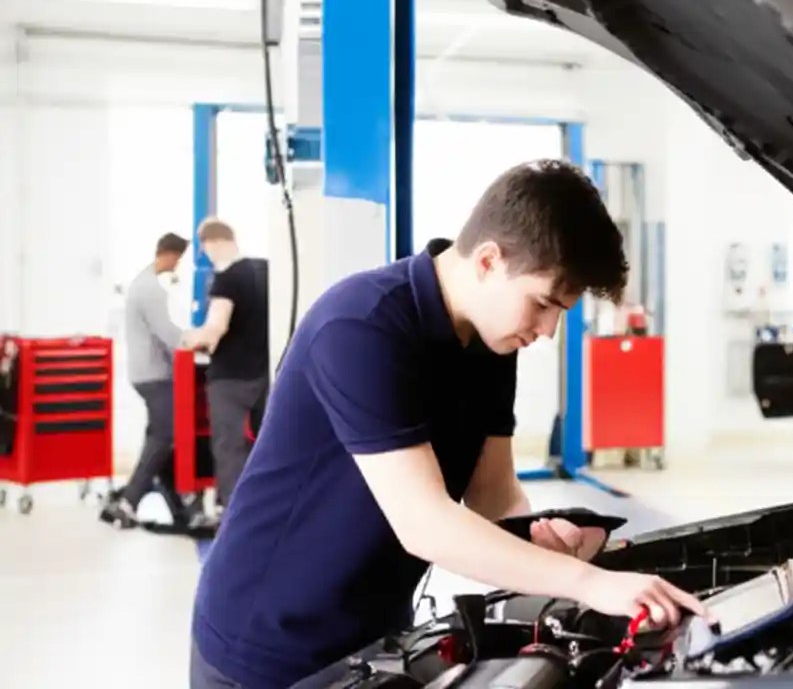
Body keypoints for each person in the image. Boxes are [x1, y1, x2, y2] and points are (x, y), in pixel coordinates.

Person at [190, 160, 708, 688]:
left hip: (375, 636)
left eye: (562, 312)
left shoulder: (490, 345)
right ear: (488, 261)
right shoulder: (362, 325)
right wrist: (587, 583)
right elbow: (426, 525)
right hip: (268, 644)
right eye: (543, 304)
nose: (549, 330)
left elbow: (495, 497)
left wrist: (540, 541)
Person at [100, 232, 190, 527]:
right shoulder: (151, 288)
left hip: (145, 372)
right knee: (165, 434)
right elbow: (164, 330)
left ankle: (178, 504)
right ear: (168, 253)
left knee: (164, 436)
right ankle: (129, 501)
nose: (178, 265)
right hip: (154, 374)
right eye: (178, 258)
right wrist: (193, 341)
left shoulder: (143, 283)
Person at [185, 218, 270, 515]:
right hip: (263, 374)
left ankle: (234, 513)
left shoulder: (227, 278)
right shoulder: (264, 270)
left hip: (230, 379)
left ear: (212, 243)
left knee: (229, 447)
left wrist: (189, 339)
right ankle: (262, 507)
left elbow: (215, 328)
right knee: (263, 444)